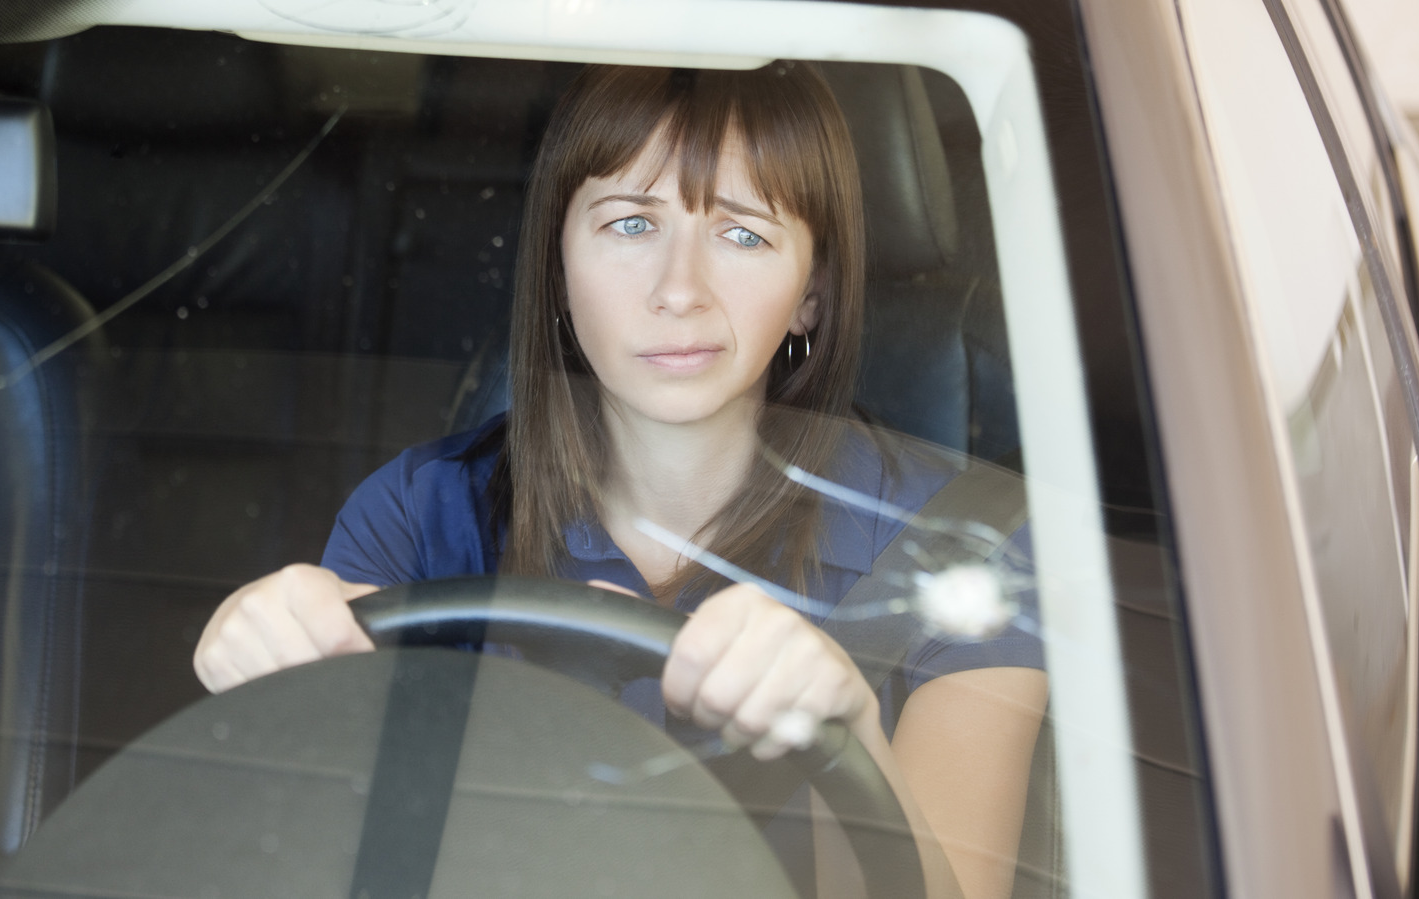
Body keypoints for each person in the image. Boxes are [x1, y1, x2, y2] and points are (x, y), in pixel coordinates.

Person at [194, 62, 1047, 899]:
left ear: (810, 296)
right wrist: (269, 659)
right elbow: (322, 852)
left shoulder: (967, 547)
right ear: (559, 269)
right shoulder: (422, 511)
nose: (679, 290)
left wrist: (851, 728)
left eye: (743, 233)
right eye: (631, 225)